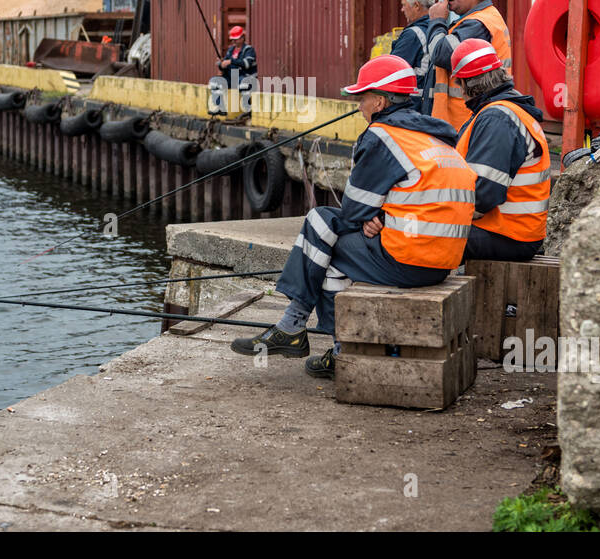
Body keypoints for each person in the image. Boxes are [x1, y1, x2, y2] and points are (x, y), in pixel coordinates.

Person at [230, 55, 476, 378]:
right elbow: (422, 199)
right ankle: (312, 336)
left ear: (380, 101)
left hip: (408, 260)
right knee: (327, 246)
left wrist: (370, 217)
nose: (358, 106)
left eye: (362, 98)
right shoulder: (437, 139)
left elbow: (352, 211)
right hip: (442, 262)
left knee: (320, 224)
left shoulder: (383, 137)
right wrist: (384, 217)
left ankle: (310, 335)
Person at [449, 38, 549, 261]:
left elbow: (483, 195)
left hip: (505, 234)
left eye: (459, 85)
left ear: (467, 84)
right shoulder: (507, 112)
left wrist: (440, 216)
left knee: (418, 234)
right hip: (513, 232)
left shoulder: (497, 118)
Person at [422, 0, 512, 131]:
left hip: (463, 122)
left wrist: (437, 21)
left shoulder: (477, 24)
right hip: (463, 121)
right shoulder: (480, 19)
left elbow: (441, 54)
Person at [389, 0, 445, 90]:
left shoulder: (412, 35)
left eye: (404, 5)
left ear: (416, 6)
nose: (402, 9)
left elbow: (391, 70)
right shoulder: (439, 28)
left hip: (413, 102)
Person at [210, 24, 257, 114]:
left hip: (246, 78)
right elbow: (226, 65)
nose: (233, 41)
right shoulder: (231, 50)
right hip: (233, 78)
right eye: (232, 39)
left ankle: (248, 110)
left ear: (242, 38)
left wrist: (231, 61)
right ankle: (220, 108)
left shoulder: (249, 50)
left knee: (244, 83)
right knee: (214, 81)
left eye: (236, 39)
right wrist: (221, 65)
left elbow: (246, 64)